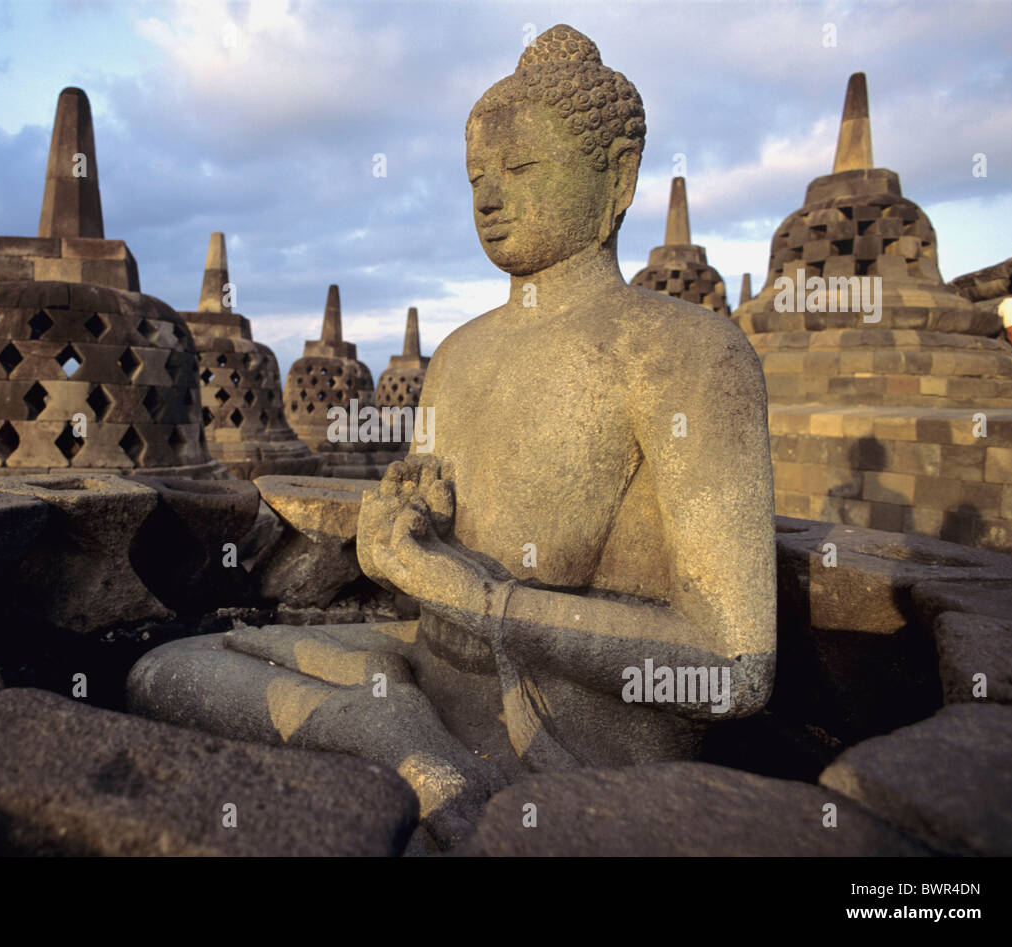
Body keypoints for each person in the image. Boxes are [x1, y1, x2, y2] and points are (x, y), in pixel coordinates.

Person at [128, 24, 776, 849]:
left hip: (572, 739)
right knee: (170, 670)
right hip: (431, 667)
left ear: (618, 178)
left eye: (519, 170)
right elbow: (426, 552)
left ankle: (412, 752)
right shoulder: (460, 356)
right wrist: (400, 532)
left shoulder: (687, 354)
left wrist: (482, 600)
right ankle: (398, 738)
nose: (487, 197)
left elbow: (734, 664)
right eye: (475, 176)